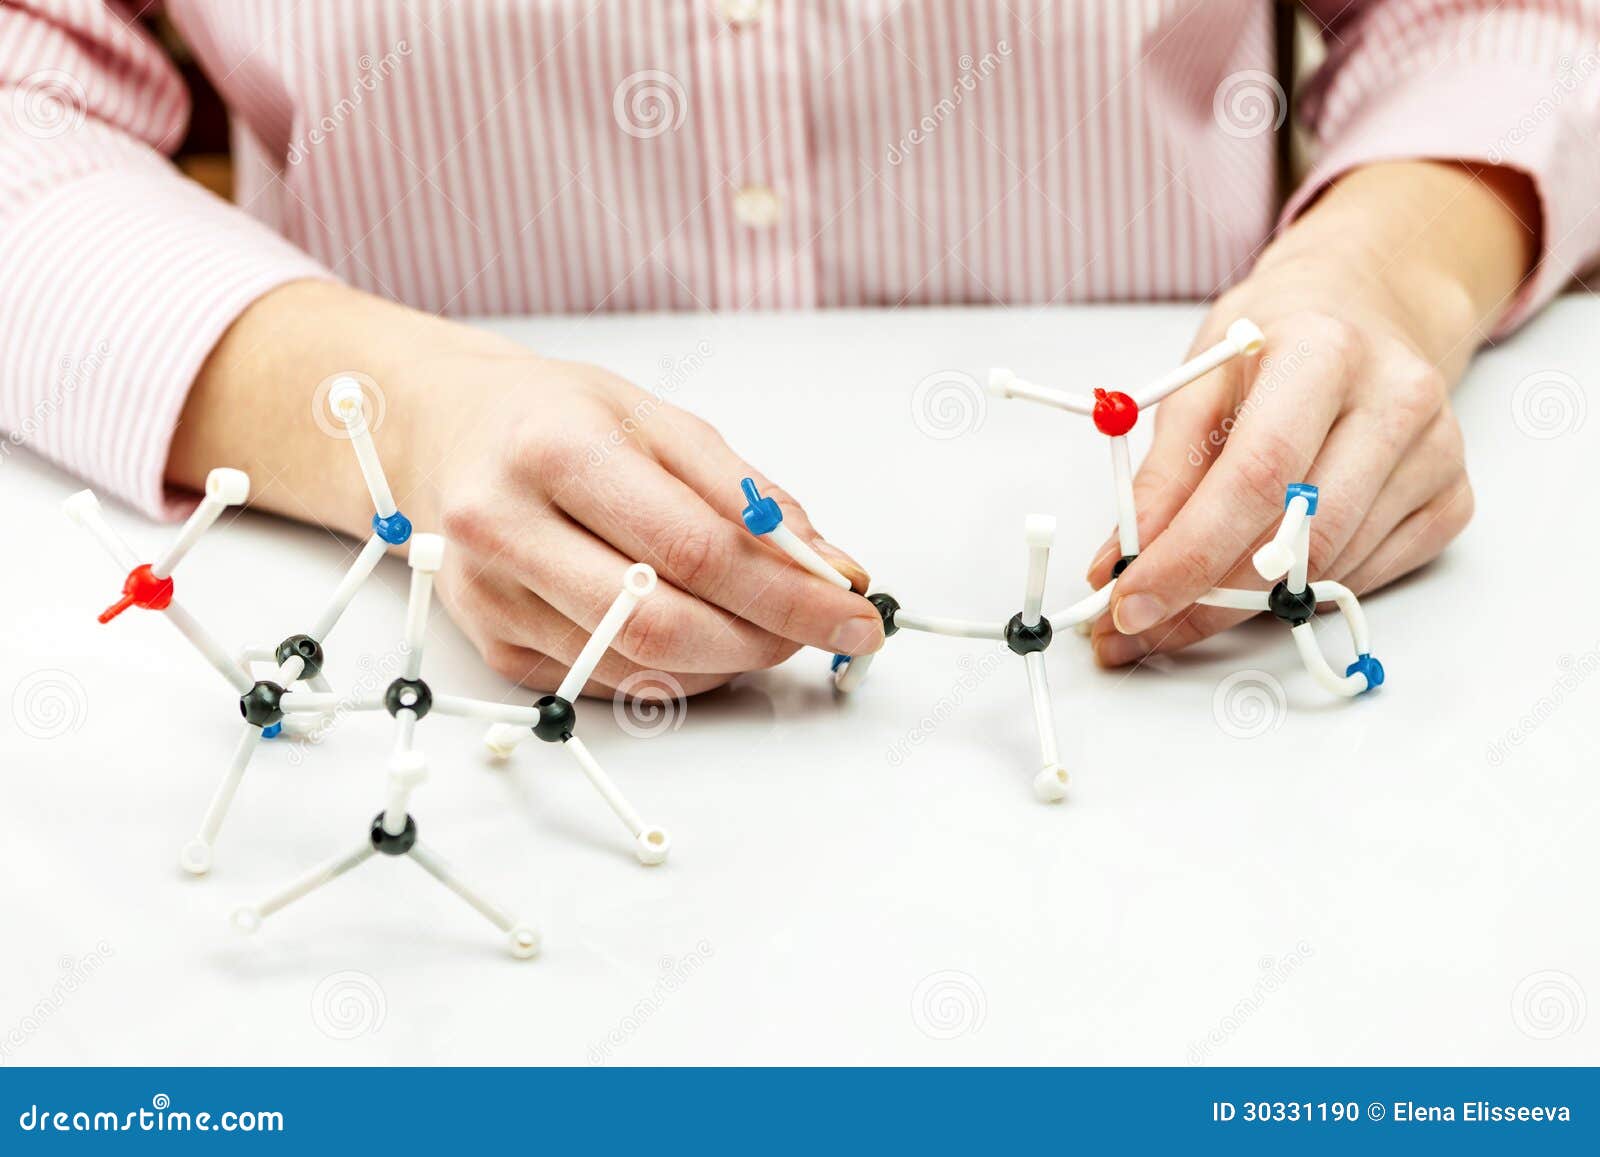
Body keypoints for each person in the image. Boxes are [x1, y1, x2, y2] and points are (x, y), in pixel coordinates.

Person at [3, 1, 1596, 696]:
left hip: (1237, 671)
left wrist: (1384, 273)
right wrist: (383, 411)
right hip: (394, 637)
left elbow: (1500, 13)